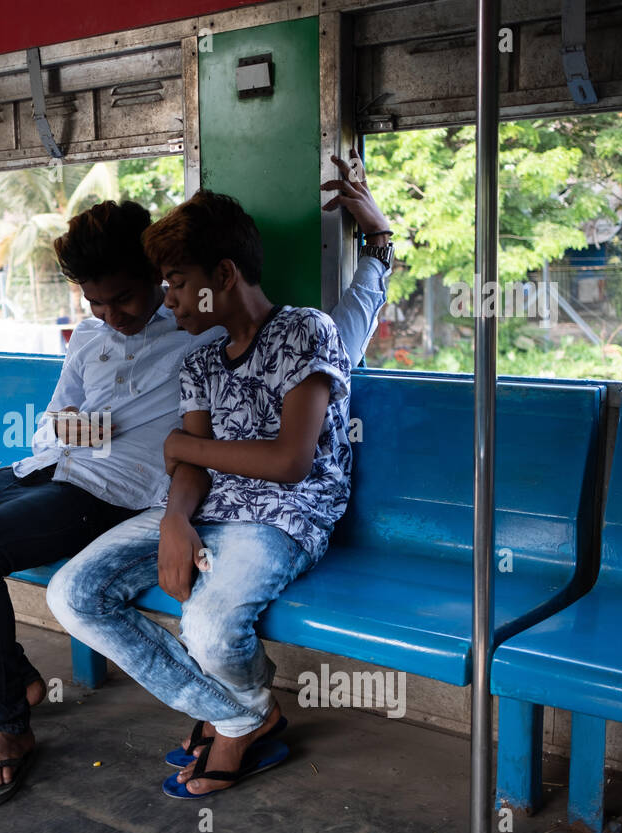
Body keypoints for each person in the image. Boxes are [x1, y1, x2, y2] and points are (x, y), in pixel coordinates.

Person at [0, 152, 391, 810]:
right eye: (95, 302)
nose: (112, 313)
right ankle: (34, 685)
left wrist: (380, 242)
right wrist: (144, 480)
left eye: (135, 293)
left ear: (170, 280)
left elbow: (305, 401)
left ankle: (25, 722)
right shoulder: (144, 345)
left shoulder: (219, 331)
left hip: (167, 504)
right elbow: (61, 424)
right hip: (77, 476)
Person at [47, 180, 393, 799]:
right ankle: (245, 714)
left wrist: (184, 446)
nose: (168, 299)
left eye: (176, 282)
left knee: (206, 628)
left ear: (224, 274)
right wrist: (176, 521)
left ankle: (231, 718)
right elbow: (191, 467)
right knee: (73, 595)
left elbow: (291, 462)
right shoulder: (202, 362)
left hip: (285, 518)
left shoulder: (303, 333)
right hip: (206, 511)